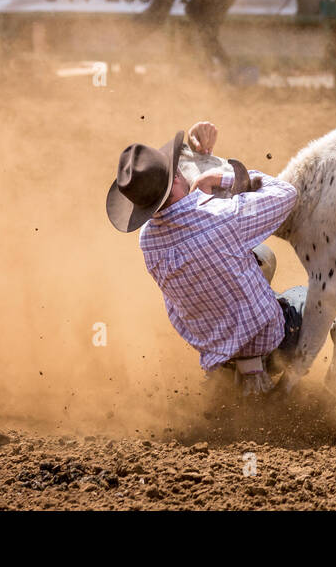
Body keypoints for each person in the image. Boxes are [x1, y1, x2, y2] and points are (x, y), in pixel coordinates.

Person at [105, 120, 303, 396]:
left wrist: (199, 181)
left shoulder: (148, 241)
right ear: (175, 178)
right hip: (271, 339)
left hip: (215, 351)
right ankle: (284, 384)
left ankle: (235, 370)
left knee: (236, 271)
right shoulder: (223, 216)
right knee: (303, 294)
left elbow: (190, 228)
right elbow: (285, 193)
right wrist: (216, 177)